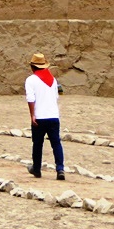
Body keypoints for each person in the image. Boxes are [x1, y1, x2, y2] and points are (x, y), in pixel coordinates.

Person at [25, 52, 65, 180]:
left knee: (37, 143)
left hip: (40, 116)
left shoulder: (30, 80)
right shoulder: (53, 80)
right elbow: (57, 96)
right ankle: (60, 169)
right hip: (53, 116)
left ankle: (37, 169)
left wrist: (32, 115)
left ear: (33, 67)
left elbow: (31, 99)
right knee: (56, 143)